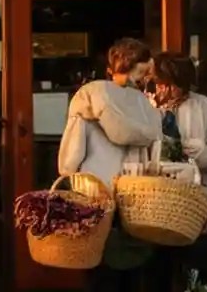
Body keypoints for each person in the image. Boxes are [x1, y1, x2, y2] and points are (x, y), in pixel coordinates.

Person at [57, 38, 162, 292]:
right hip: (136, 196)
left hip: (96, 195)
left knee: (99, 273)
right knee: (134, 273)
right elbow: (155, 157)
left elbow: (68, 162)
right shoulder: (147, 107)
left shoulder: (88, 100)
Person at [146, 51, 207, 288]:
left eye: (178, 85)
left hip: (195, 197)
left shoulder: (203, 106)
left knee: (196, 260)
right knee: (159, 265)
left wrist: (199, 156)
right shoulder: (146, 107)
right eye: (167, 85)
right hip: (157, 198)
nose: (172, 91)